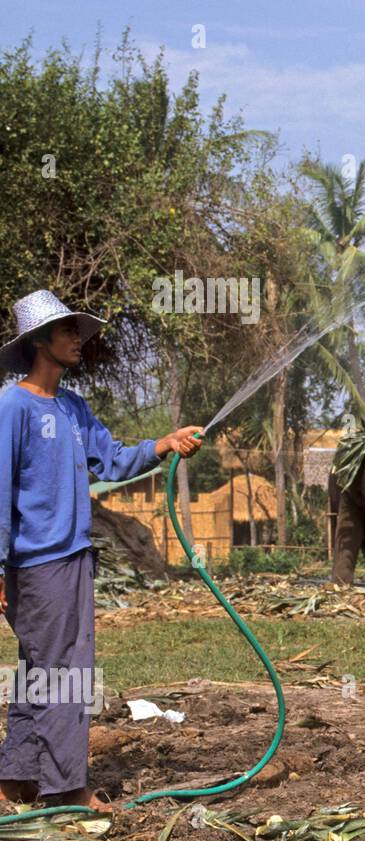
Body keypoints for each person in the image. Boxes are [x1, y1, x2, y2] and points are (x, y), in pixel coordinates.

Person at [0, 290, 202, 813]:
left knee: (39, 669)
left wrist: (164, 443)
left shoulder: (72, 407)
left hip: (73, 559)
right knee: (68, 673)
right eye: (67, 331)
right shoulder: (11, 406)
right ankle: (66, 790)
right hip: (38, 566)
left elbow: (111, 461)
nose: (78, 340)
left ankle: (18, 779)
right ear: (39, 342)